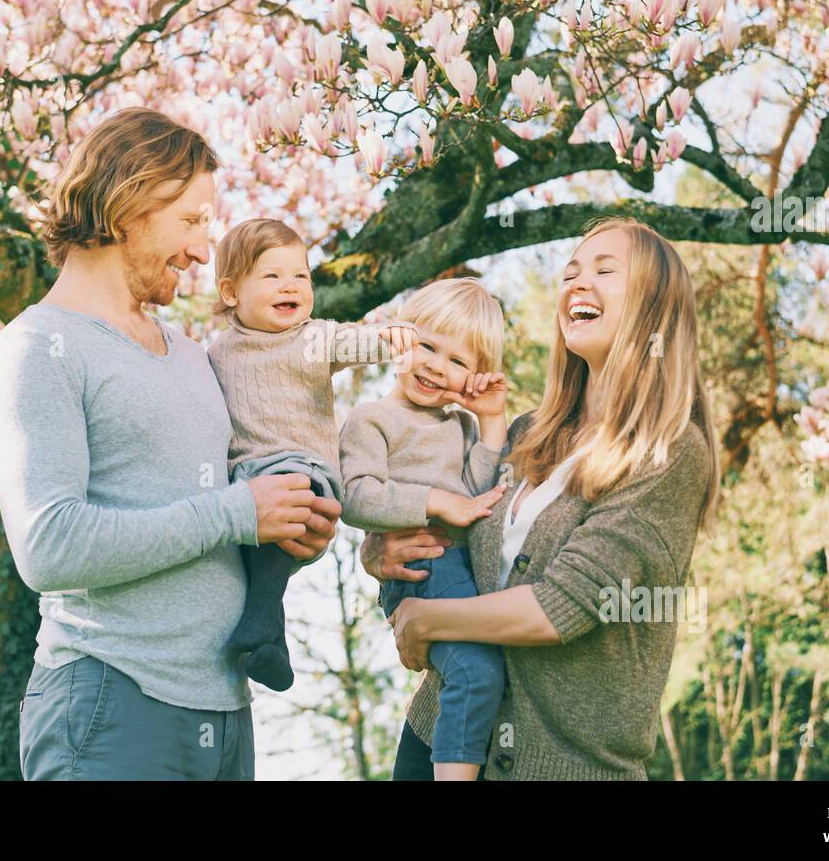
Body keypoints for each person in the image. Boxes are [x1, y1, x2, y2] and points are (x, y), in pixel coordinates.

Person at [0, 107, 340, 780]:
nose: (205, 251)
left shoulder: (193, 357)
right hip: (113, 707)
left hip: (226, 712)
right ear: (130, 202)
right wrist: (238, 512)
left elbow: (211, 520)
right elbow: (49, 546)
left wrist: (285, 526)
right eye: (193, 221)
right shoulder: (38, 348)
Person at [361, 216, 721, 781]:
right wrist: (381, 550)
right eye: (571, 272)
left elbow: (564, 607)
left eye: (606, 271)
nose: (578, 283)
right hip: (437, 741)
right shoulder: (528, 432)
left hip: (560, 766)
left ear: (657, 307)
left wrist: (427, 619)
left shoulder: (668, 453)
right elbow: (454, 523)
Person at [206, 218, 419, 691]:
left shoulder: (311, 338)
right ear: (231, 291)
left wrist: (389, 337)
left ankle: (260, 624)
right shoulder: (216, 354)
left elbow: (353, 339)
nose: (291, 286)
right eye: (272, 276)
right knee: (257, 545)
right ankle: (269, 641)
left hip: (307, 473)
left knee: (287, 498)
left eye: (301, 276)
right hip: (246, 478)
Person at [338, 277, 510, 780]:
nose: (437, 365)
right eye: (428, 346)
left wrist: (493, 421)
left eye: (458, 361)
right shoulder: (373, 419)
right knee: (476, 674)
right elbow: (356, 497)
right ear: (399, 340)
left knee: (476, 671)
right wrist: (435, 502)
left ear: (475, 376)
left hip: (458, 567)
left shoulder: (460, 426)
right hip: (424, 566)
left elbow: (481, 494)